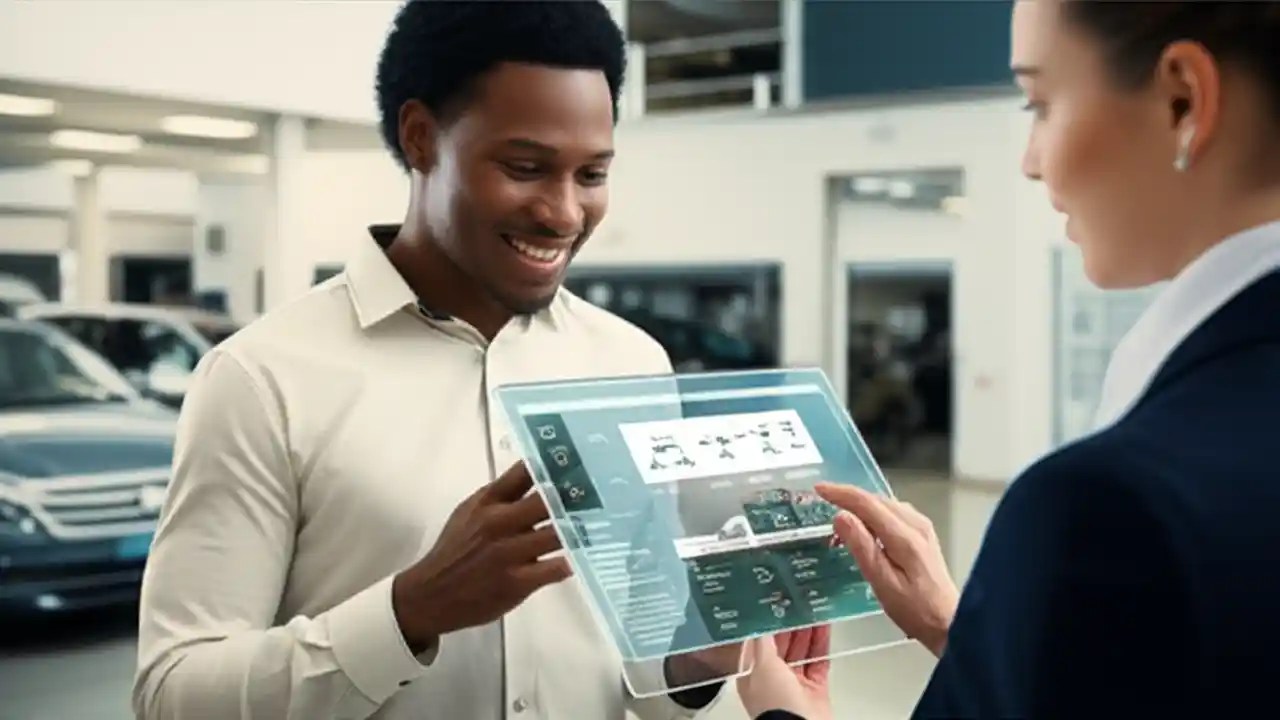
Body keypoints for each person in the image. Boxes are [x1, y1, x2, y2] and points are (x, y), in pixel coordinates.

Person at [130, 2, 734, 718]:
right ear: (420, 138)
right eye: (525, 167)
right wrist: (409, 611)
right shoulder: (263, 380)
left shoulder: (632, 363)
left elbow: (643, 676)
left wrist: (699, 653)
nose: (565, 213)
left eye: (592, 174)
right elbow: (172, 695)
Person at [739, 1, 1280, 718]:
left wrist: (788, 717)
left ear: (1183, 99)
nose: (1029, 161)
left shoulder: (1109, 507)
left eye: (1040, 103)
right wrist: (982, 639)